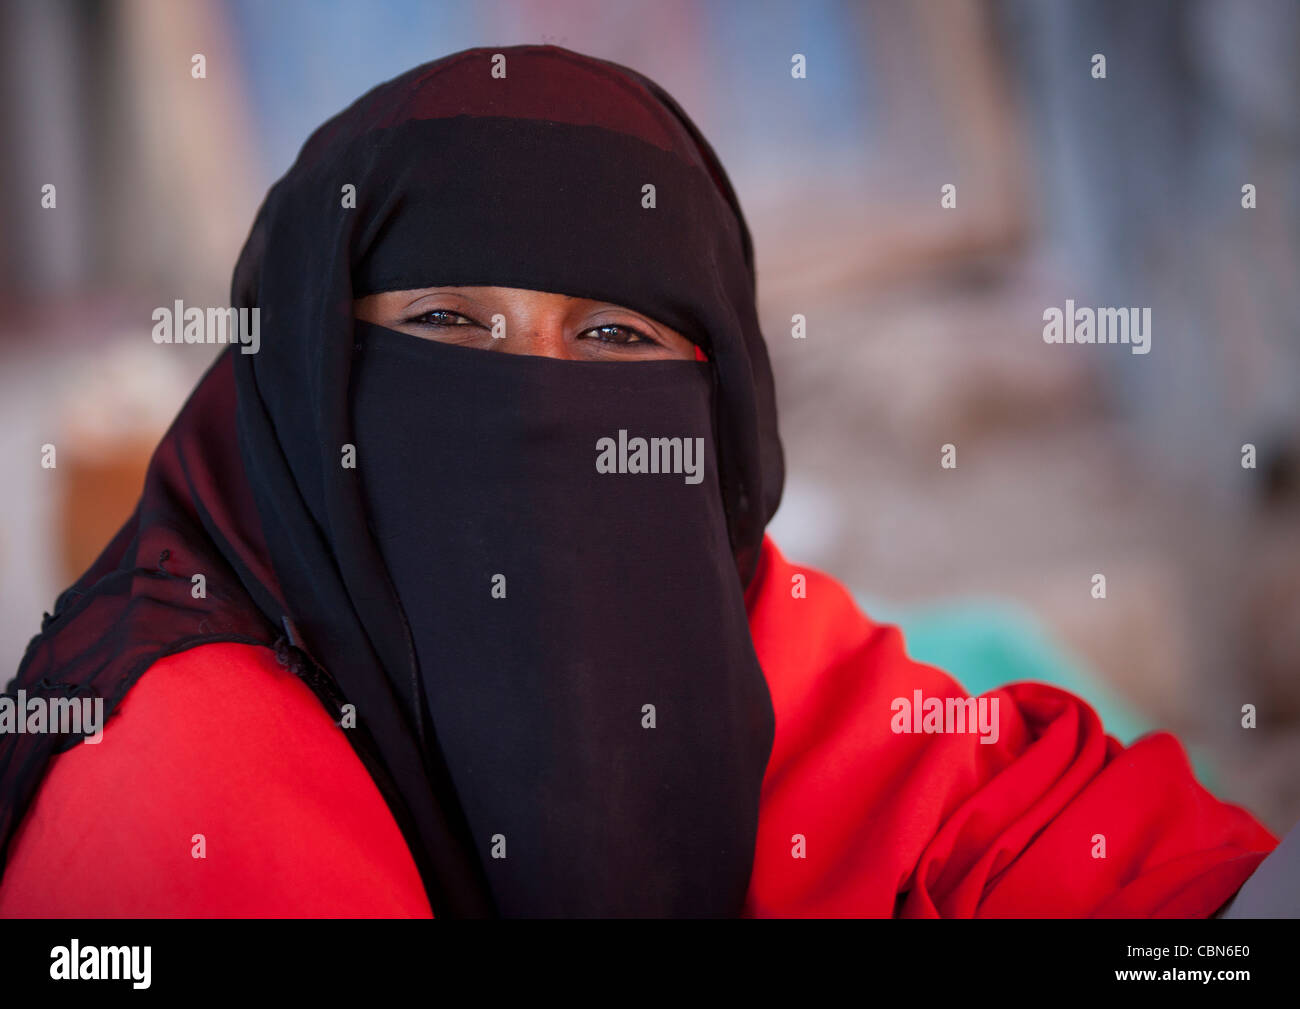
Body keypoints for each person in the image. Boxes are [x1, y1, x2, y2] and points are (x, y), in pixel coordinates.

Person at [0, 45, 1288, 918]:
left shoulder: (713, 635)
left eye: (615, 339)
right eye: (449, 324)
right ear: (305, 373)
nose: (536, 406)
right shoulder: (174, 763)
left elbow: (1060, 846)